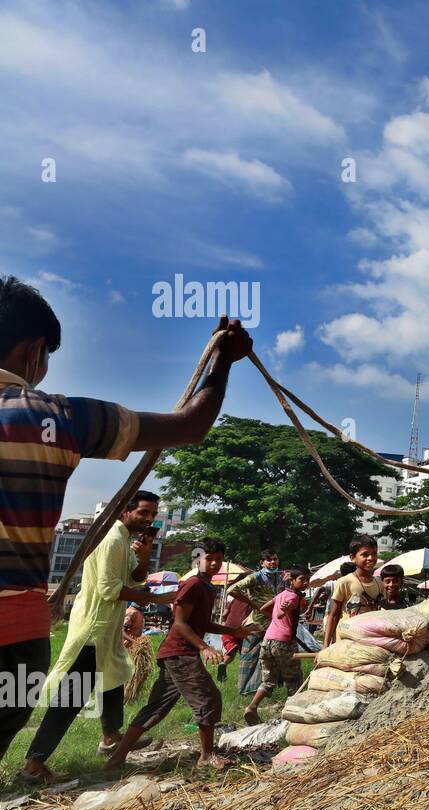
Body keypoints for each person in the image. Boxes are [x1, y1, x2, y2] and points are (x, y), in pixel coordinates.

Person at [1, 276, 252, 764]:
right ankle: (49, 759)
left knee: (98, 688)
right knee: (77, 690)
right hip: (17, 632)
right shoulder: (58, 419)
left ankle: (100, 742)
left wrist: (142, 572)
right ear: (34, 353)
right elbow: (191, 424)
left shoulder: (124, 539)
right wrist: (223, 360)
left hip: (94, 629)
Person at [17, 494, 174, 784]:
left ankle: (111, 737)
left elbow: (135, 579)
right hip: (93, 629)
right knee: (71, 698)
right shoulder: (112, 540)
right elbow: (108, 589)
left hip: (107, 629)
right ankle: (33, 765)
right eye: (143, 512)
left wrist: (144, 555)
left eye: (153, 514)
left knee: (113, 676)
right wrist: (157, 597)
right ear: (126, 511)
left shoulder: (125, 540)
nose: (148, 519)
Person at [105, 539, 255, 772]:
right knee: (208, 698)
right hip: (180, 653)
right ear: (197, 560)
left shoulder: (207, 587)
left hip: (174, 654)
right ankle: (206, 756)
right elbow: (180, 623)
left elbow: (202, 623)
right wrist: (204, 647)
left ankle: (116, 759)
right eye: (209, 558)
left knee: (156, 708)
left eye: (218, 559)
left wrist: (232, 631)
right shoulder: (193, 584)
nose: (214, 563)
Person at [243, 566, 309, 725]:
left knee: (268, 680)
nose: (306, 582)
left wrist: (275, 620)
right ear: (292, 580)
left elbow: (264, 608)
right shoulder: (293, 597)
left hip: (268, 640)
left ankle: (251, 707)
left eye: (307, 579)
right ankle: (292, 717)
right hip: (284, 642)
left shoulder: (281, 595)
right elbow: (281, 612)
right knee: (294, 680)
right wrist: (281, 614)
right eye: (302, 579)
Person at [222, 549, 284, 692]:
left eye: (275, 559)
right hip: (256, 623)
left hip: (274, 623)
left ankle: (268, 686)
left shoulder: (280, 578)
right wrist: (253, 604)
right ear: (262, 563)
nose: (273, 562)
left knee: (272, 656)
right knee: (250, 658)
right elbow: (231, 589)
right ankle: (245, 689)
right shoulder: (255, 578)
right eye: (269, 560)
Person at [322, 538, 381, 647]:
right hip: (346, 641)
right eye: (365, 555)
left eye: (374, 554)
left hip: (370, 640)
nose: (371, 558)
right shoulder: (344, 582)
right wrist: (325, 645)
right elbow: (333, 615)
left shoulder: (379, 583)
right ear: (353, 558)